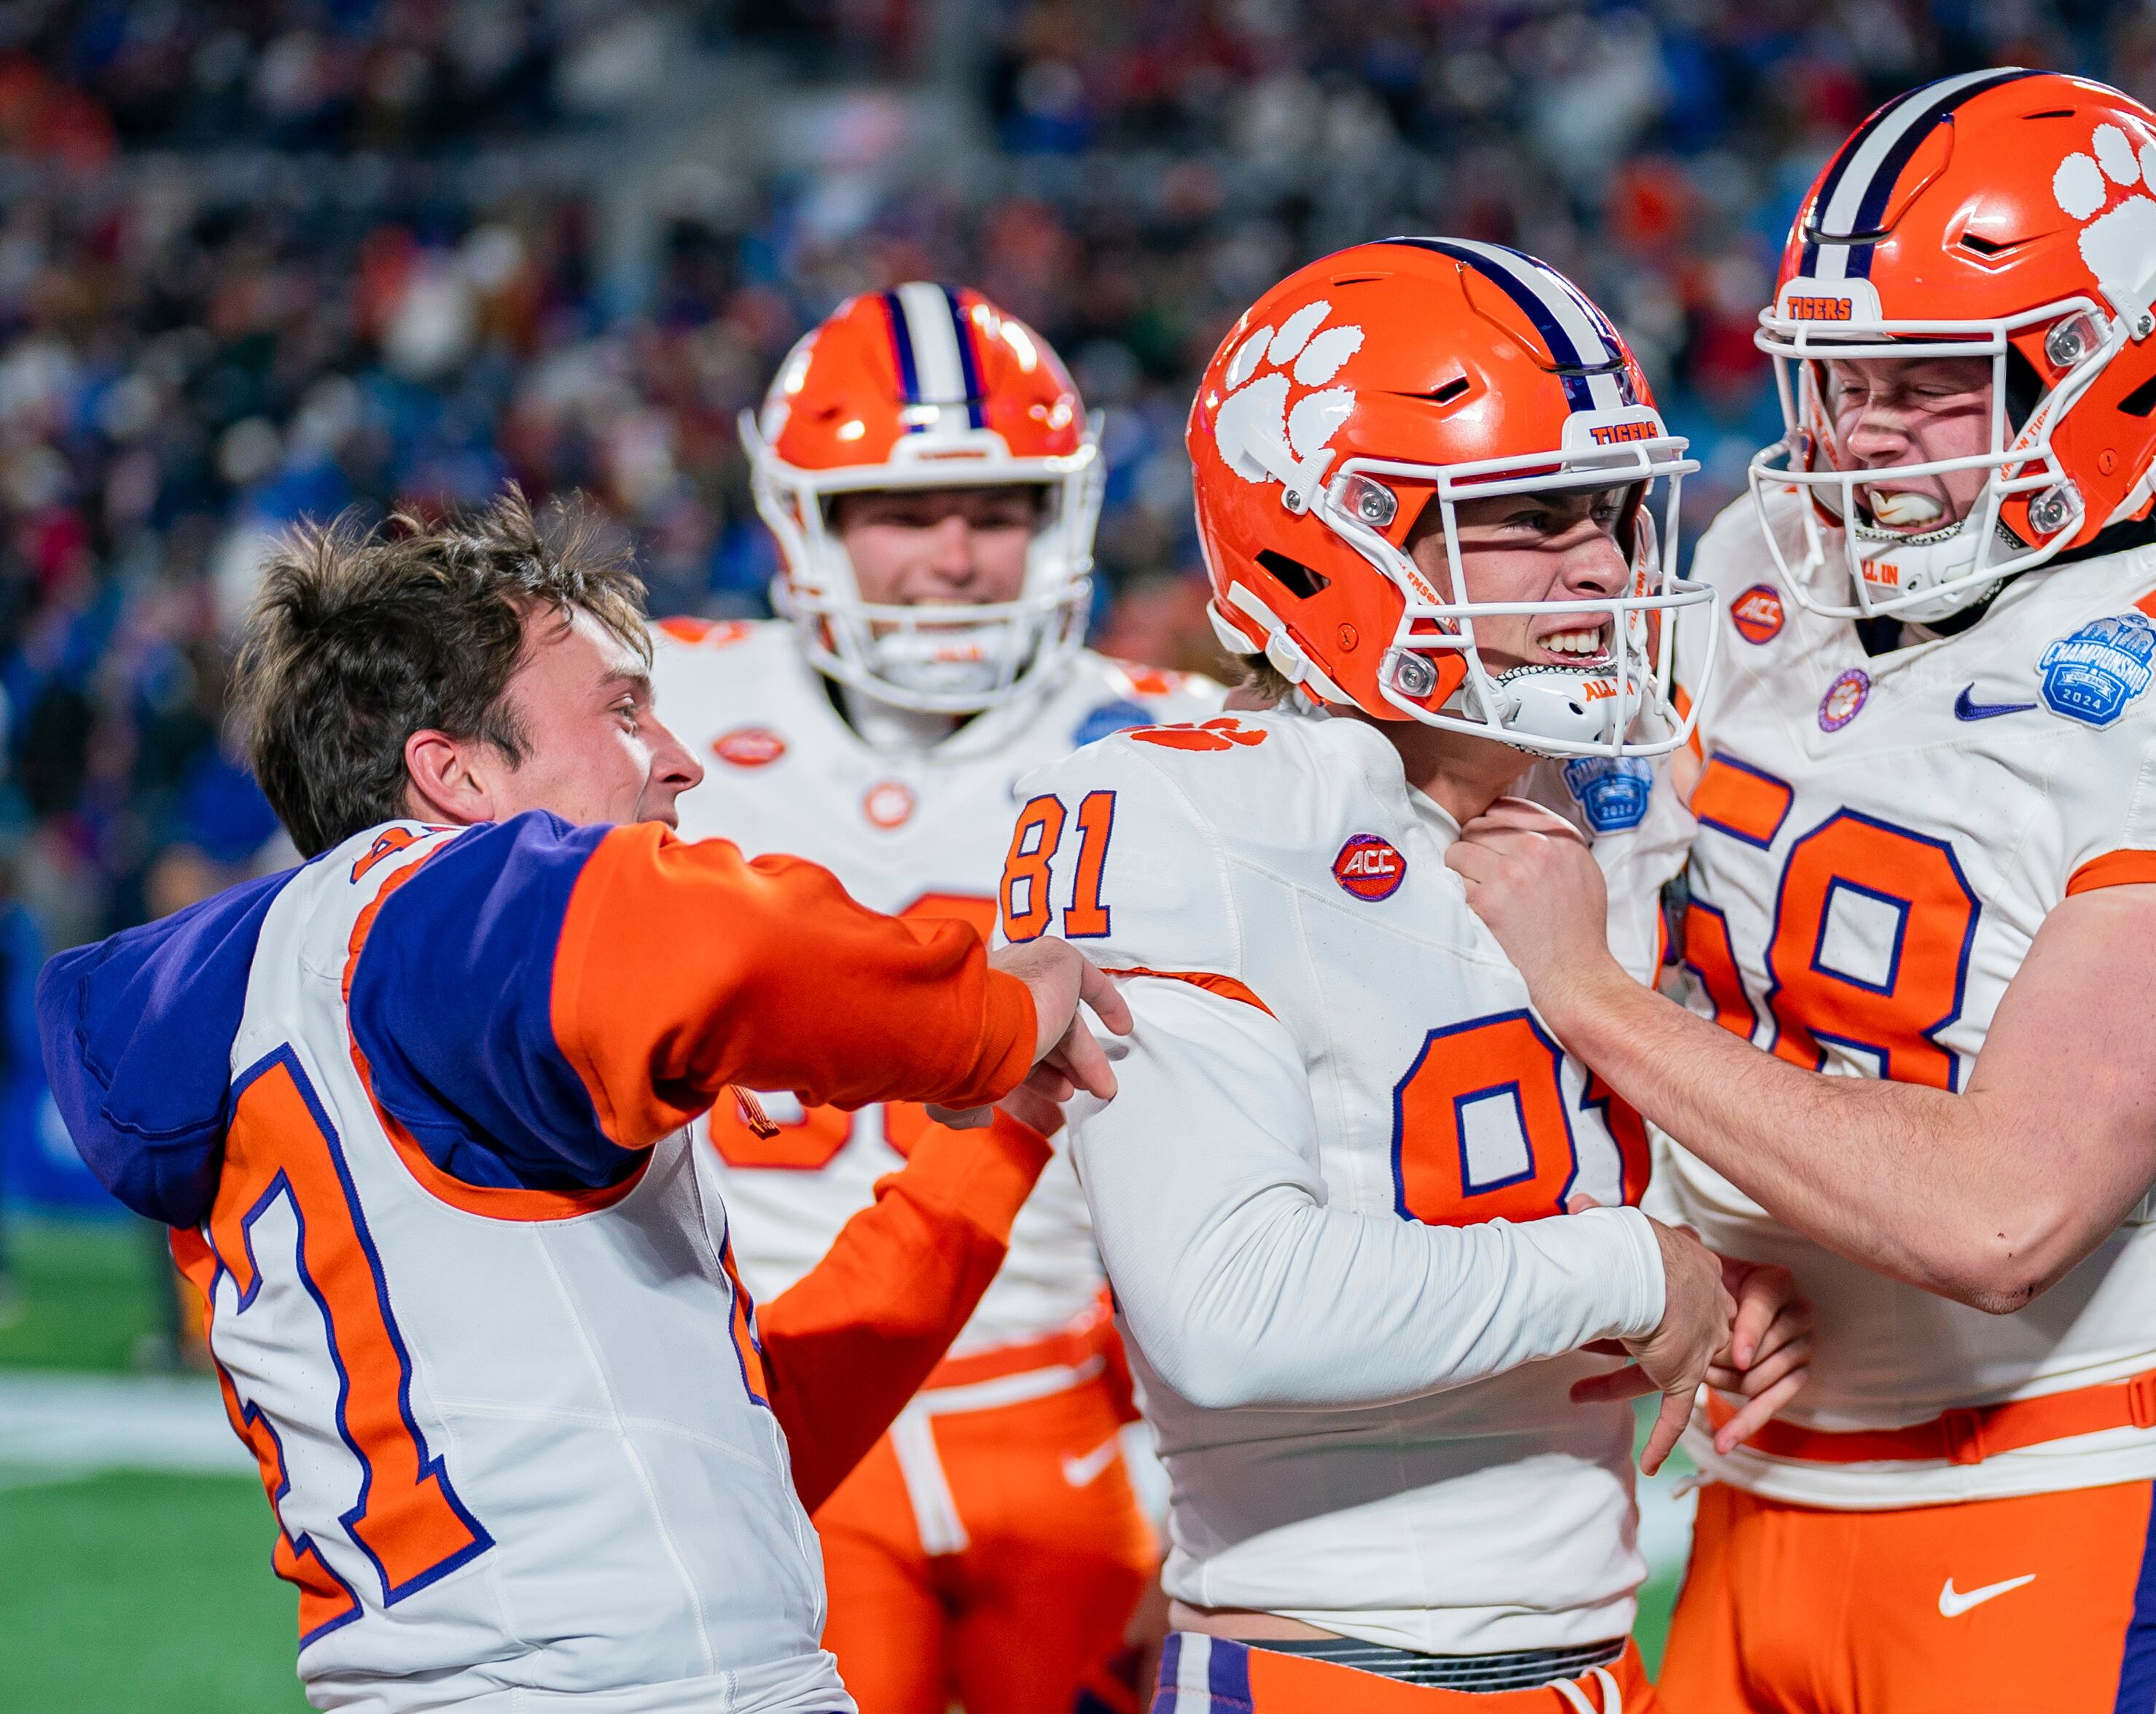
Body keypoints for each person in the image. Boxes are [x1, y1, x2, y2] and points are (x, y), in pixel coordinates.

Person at [1444, 73, 2156, 1714]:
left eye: (1928, 379)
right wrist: (1685, 1225)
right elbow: (1678, 949)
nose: (1851, 431)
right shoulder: (1755, 561)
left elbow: (1995, 1215)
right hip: (1751, 1491)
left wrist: (1587, 999)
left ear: (2111, 369)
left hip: (2047, 1497)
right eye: (1834, 373)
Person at [34, 490, 1127, 1714]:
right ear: (450, 776)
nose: (680, 756)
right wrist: (992, 1010)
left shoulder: (294, 1006)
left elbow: (743, 1451)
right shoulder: (431, 913)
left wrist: (997, 1145)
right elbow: (723, 944)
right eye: (622, 709)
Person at [1012, 239, 1811, 1714]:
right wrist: (1635, 1267)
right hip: (1336, 1659)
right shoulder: (1197, 809)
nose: (1599, 566)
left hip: (1587, 1644)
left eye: (1610, 510)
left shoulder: (1596, 802)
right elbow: (1229, 1306)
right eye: (1521, 515)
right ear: (1328, 541)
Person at [652, 282, 1221, 1714]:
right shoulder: (652, 713)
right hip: (776, 1397)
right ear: (807, 522)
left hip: (1066, 1415)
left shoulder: (1166, 738)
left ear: (1063, 514)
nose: (955, 559)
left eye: (997, 510)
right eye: (901, 514)